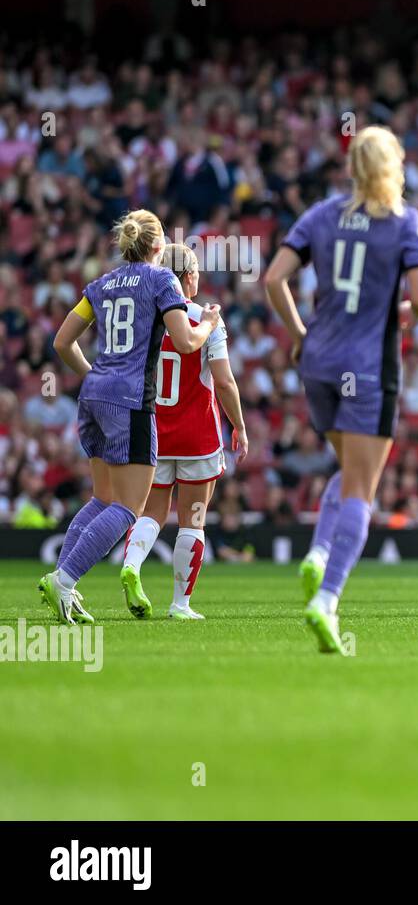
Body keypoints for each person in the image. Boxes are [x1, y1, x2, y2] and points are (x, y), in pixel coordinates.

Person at [265, 126, 418, 654]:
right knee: (364, 487)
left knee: (347, 467)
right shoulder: (405, 221)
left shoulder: (320, 214)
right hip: (367, 366)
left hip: (318, 364)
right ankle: (327, 599)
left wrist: (299, 337)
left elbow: (274, 280)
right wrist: (401, 316)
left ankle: (317, 554)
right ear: (393, 167)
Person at [41, 210, 220, 624]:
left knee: (102, 498)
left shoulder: (101, 284)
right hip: (132, 401)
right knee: (128, 508)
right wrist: (209, 323)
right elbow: (187, 340)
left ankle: (60, 581)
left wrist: (94, 376)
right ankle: (65, 579)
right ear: (159, 247)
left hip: (95, 396)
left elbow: (62, 341)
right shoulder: (162, 279)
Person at [119, 243, 249, 620]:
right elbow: (224, 383)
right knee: (193, 518)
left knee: (151, 513)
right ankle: (180, 604)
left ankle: (132, 565)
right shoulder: (204, 318)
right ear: (189, 276)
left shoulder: (144, 317)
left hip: (155, 431)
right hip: (198, 436)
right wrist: (239, 425)